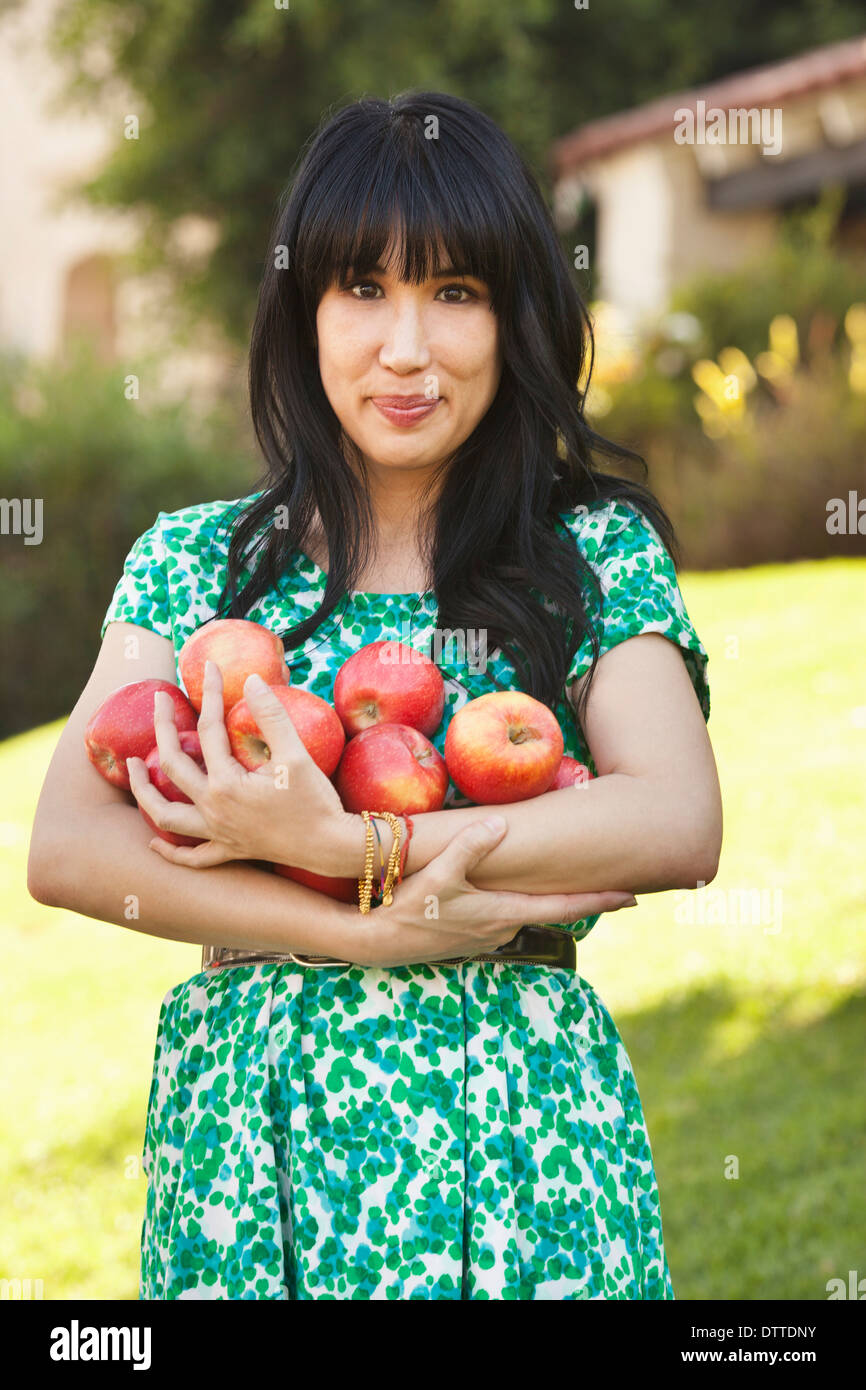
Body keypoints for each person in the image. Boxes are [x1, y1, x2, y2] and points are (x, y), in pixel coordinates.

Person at [28, 90, 722, 1300]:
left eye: (454, 292)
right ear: (301, 315)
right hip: (257, 1144)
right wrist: (362, 926)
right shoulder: (200, 563)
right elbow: (68, 847)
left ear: (515, 318)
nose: (405, 348)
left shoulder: (586, 551)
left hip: (522, 1140)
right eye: (362, 290)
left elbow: (673, 819)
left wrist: (354, 840)